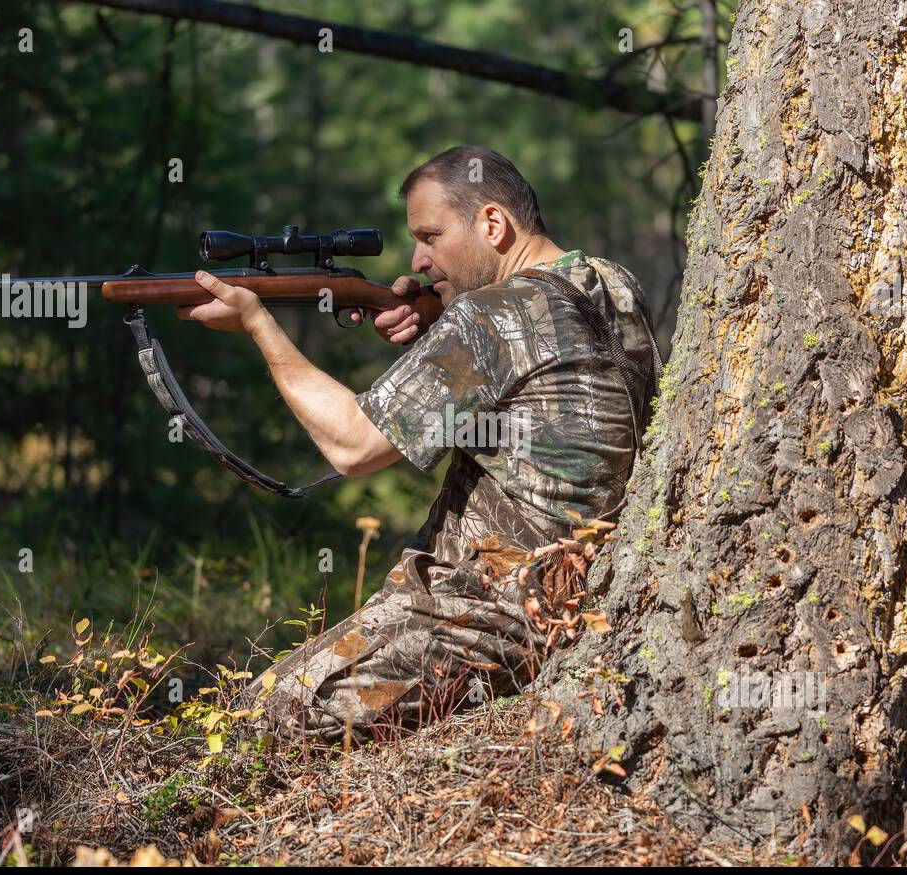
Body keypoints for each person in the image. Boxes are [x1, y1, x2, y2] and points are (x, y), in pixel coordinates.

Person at [176, 145, 661, 746]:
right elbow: (550, 377)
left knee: (258, 723)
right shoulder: (612, 284)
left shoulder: (488, 317)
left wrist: (258, 324)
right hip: (585, 595)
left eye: (431, 236)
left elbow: (351, 447)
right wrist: (439, 321)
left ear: (492, 223)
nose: (419, 259)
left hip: (489, 617)